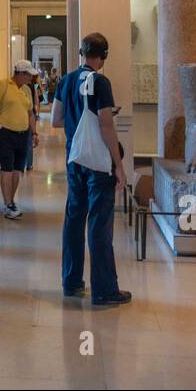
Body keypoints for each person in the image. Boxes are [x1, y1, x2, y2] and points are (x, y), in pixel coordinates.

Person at [53, 33, 131, 306]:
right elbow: (106, 125)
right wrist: (119, 165)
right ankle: (104, 289)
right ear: (103, 56)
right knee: (99, 223)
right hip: (98, 162)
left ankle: (71, 282)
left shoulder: (65, 80)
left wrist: (77, 122)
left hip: (74, 157)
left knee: (74, 219)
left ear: (81, 53)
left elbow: (56, 120)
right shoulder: (100, 81)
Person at [0, 60, 39, 217]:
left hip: (23, 135)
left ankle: (11, 201)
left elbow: (30, 113)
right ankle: (8, 203)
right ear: (20, 73)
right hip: (6, 134)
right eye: (28, 75)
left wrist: (34, 133)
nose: (30, 78)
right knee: (7, 169)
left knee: (18, 170)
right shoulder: (3, 85)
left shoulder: (27, 90)